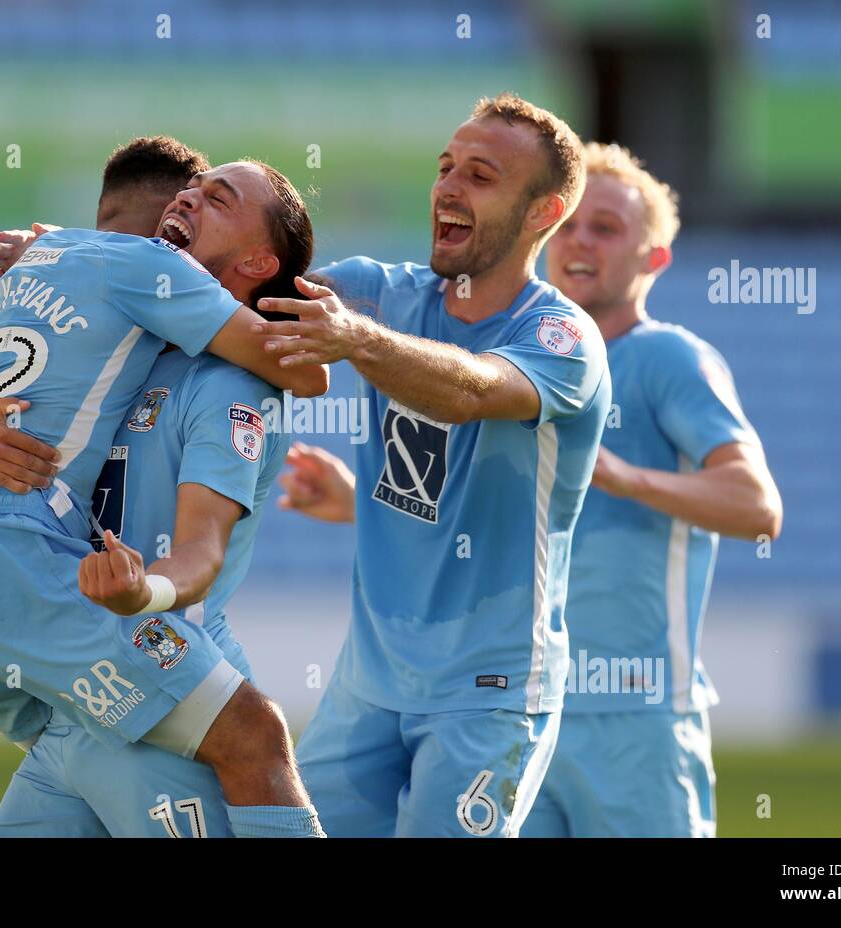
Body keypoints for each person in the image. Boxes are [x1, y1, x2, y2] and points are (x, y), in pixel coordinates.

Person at [0, 138, 326, 837]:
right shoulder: (136, 342)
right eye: (187, 194)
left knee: (251, 733)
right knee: (253, 734)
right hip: (95, 650)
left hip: (114, 657)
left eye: (217, 197)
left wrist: (146, 591)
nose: (189, 199)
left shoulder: (226, 383)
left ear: (257, 263)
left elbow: (202, 546)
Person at [254, 93, 611, 836]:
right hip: (370, 681)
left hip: (490, 690)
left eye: (480, 175)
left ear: (542, 214)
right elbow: (243, 285)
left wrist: (357, 340)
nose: (447, 187)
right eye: (445, 167)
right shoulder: (384, 294)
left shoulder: (562, 337)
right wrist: (76, 262)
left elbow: (470, 389)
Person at [515, 142, 782, 837]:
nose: (579, 240)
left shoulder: (668, 358)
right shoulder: (518, 367)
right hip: (520, 711)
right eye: (568, 223)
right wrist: (349, 499)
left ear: (652, 258)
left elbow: (758, 506)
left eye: (605, 227)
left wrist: (623, 476)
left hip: (635, 717)